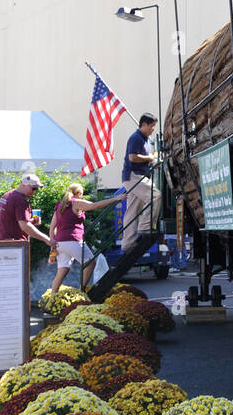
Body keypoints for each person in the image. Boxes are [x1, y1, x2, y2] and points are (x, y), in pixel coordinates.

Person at [48, 183, 124, 293]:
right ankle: (81, 291)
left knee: (62, 270)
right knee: (90, 263)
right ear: (78, 193)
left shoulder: (61, 205)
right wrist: (115, 198)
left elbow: (52, 226)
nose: (82, 197)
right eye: (82, 194)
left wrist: (52, 241)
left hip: (59, 243)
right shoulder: (76, 202)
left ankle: (51, 299)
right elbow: (95, 206)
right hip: (73, 240)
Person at [120, 114, 160, 254]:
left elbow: (140, 159)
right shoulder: (136, 138)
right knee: (155, 195)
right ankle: (145, 226)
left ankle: (127, 244)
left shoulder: (145, 140)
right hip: (134, 175)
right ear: (143, 124)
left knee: (132, 211)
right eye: (151, 126)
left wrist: (151, 164)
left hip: (135, 176)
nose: (153, 129)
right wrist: (150, 158)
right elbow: (132, 157)